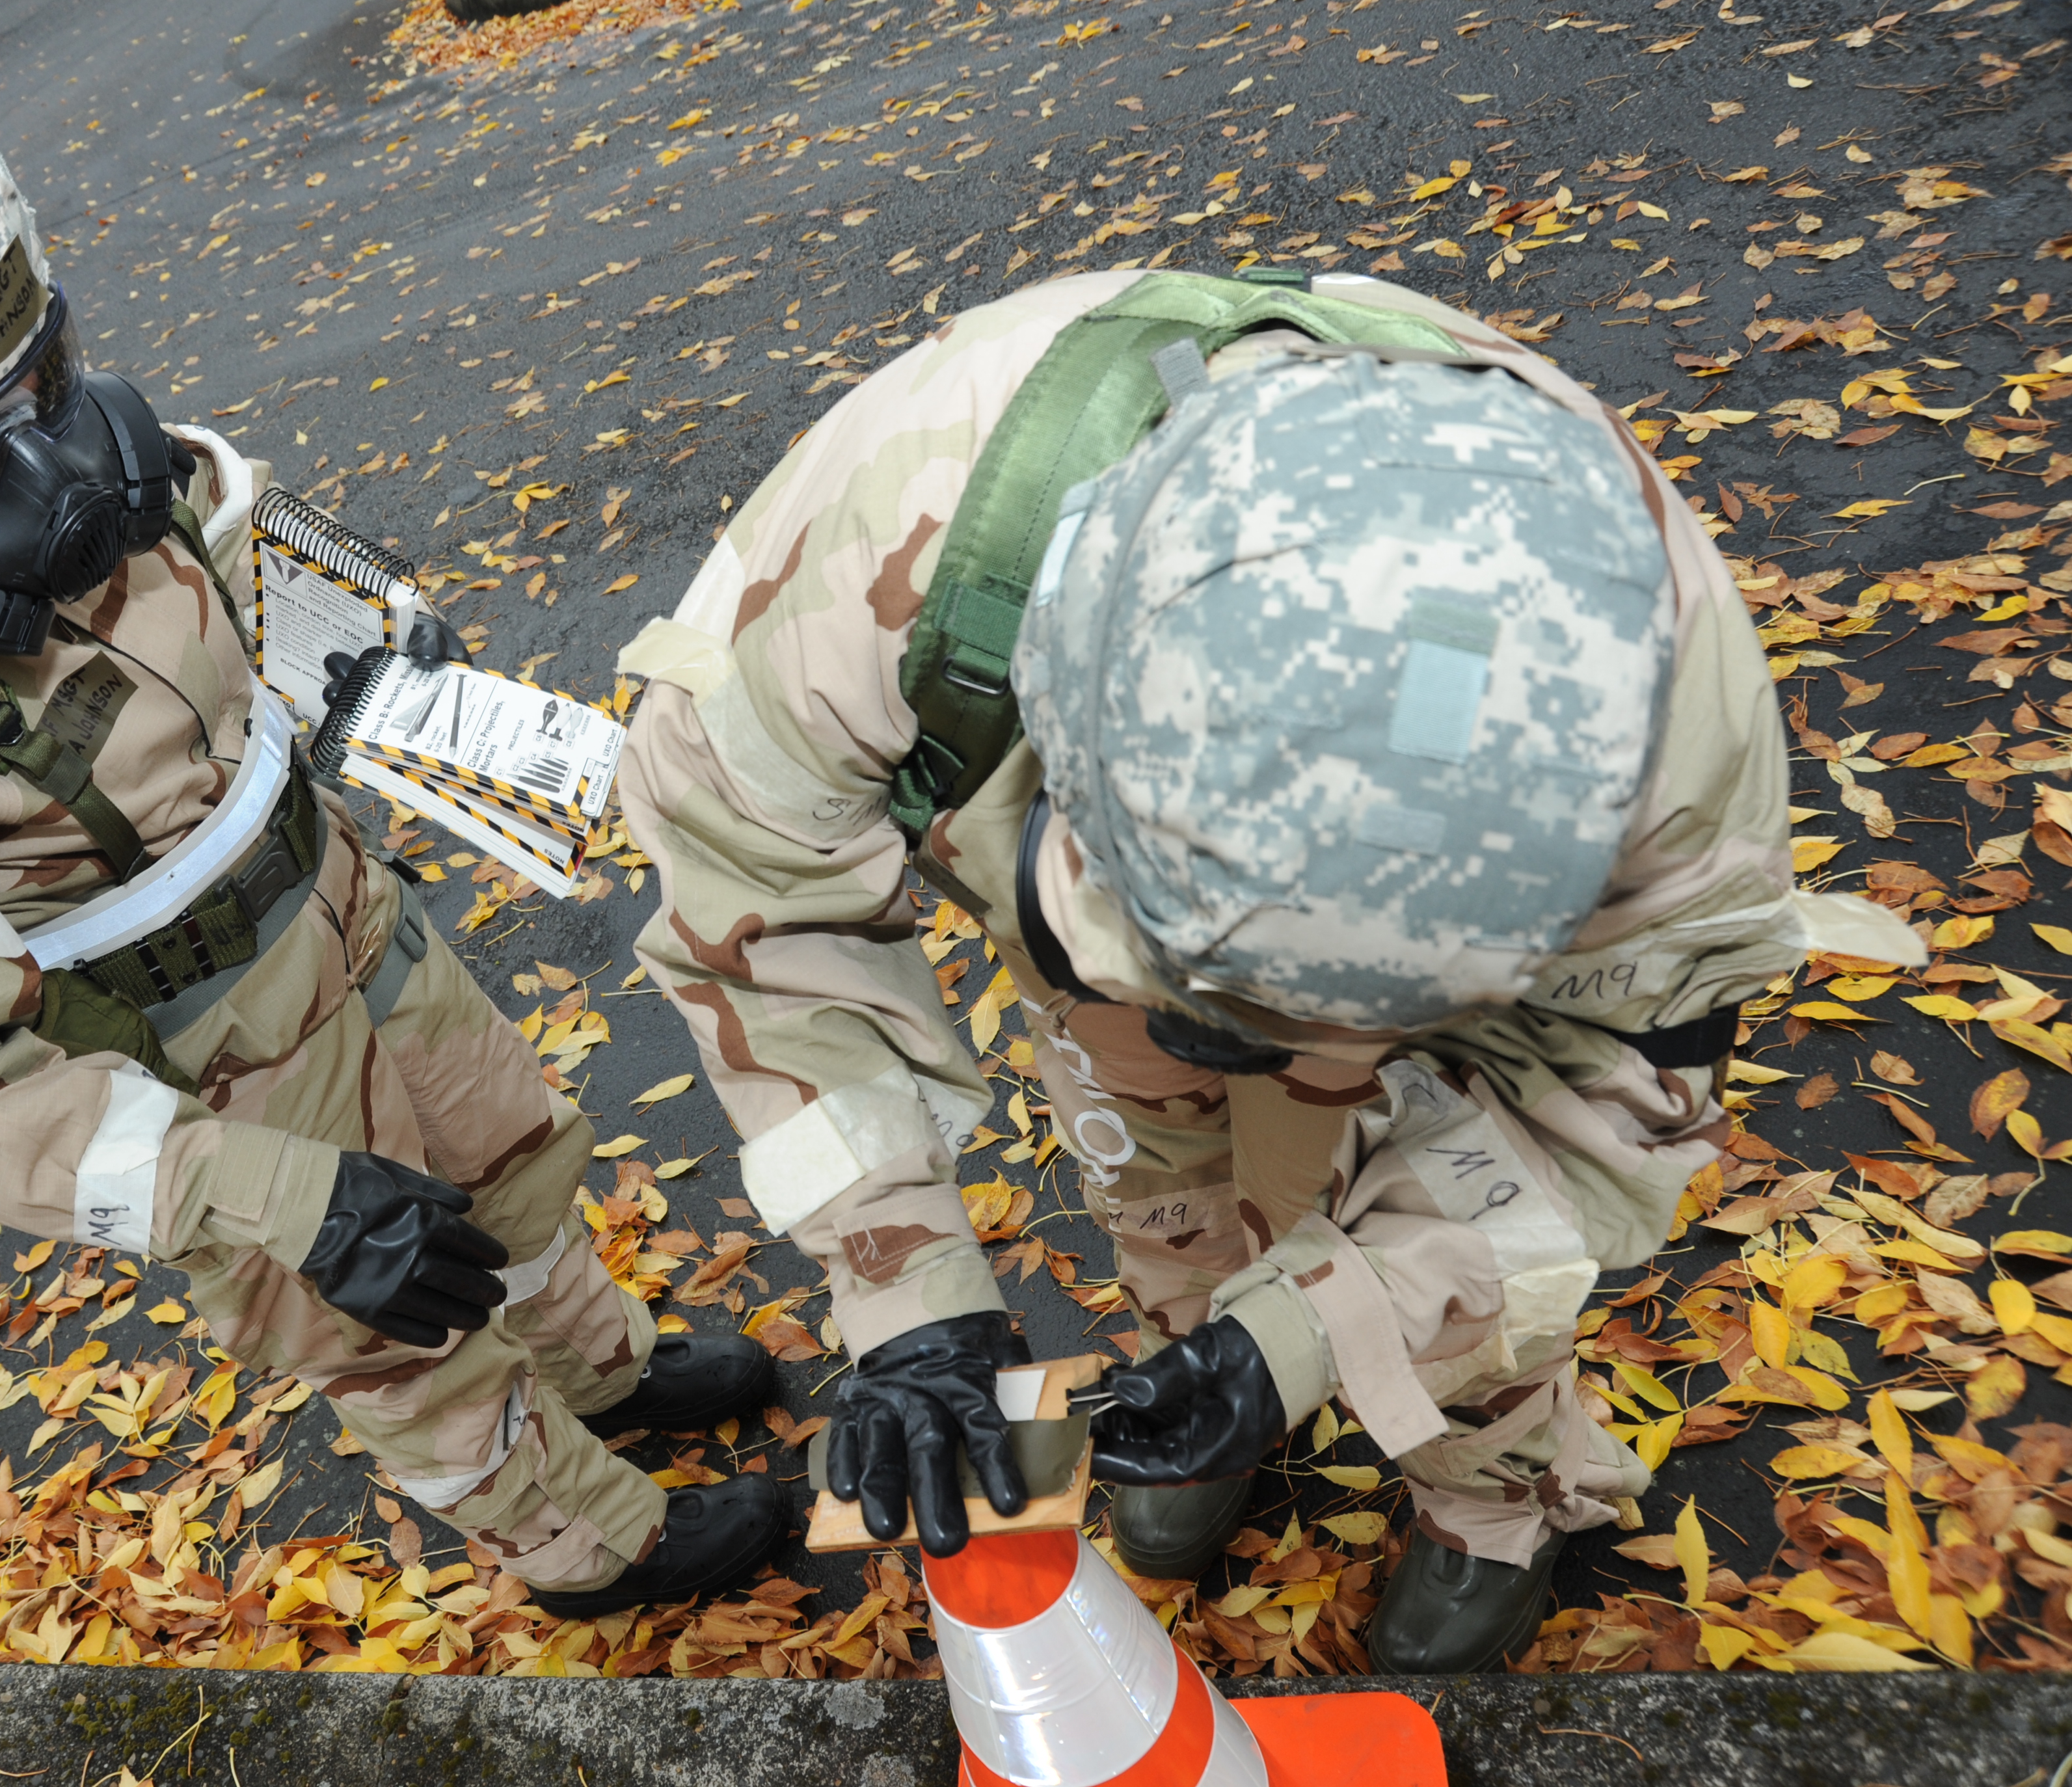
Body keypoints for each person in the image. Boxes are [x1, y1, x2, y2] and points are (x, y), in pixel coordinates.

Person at [0, 21, 781, 1614]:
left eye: (41, 380)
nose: (50, 478)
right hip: (204, 1072)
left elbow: (232, 566)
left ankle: (604, 1368)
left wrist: (374, 648)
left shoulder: (28, 420)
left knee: (510, 1160)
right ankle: (581, 1547)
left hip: (341, 913)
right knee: (393, 1335)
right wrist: (273, 1198)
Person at [614, 265, 1922, 1669]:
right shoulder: (850, 591)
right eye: (1204, 984)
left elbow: (1589, 1135)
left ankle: (1499, 1492)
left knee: (1452, 1217)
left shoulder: (1668, 743)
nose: (1240, 1035)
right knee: (1148, 1166)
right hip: (1076, 898)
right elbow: (758, 934)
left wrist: (1304, 1334)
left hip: (1415, 969)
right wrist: (911, 1296)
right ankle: (1193, 1368)